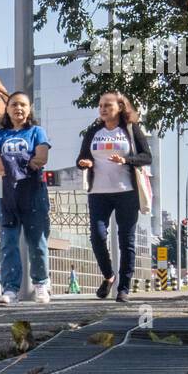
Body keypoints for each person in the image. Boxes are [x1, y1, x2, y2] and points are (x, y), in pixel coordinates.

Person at [77, 91, 154, 303]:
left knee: (126, 240)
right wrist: (86, 163)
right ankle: (108, 276)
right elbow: (81, 158)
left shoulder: (130, 129)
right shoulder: (93, 131)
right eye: (101, 105)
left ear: (120, 107)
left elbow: (146, 157)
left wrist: (126, 160)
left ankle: (124, 288)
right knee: (97, 236)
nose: (103, 109)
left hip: (126, 191)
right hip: (98, 192)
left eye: (108, 105)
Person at [0, 92, 51, 305]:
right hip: (6, 194)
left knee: (37, 241)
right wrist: (20, 163)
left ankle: (41, 284)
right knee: (8, 242)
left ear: (29, 109)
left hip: (33, 192)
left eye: (23, 105)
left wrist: (13, 164)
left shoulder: (37, 132)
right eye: (14, 104)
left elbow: (41, 157)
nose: (18, 109)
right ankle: (10, 288)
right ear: (7, 109)